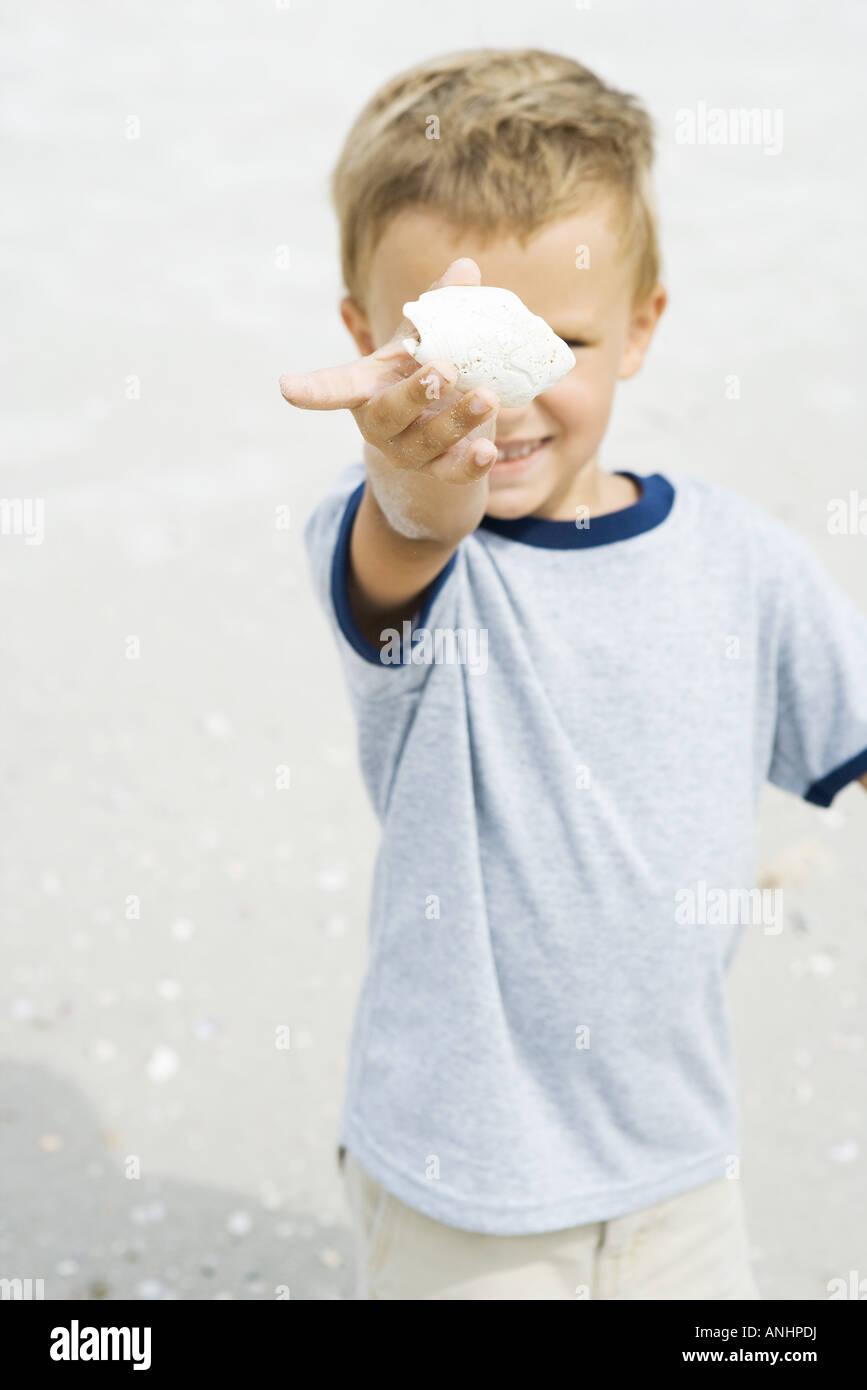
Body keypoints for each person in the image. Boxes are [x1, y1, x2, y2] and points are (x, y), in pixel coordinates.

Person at [279, 48, 867, 1299]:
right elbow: (412, 525)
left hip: (682, 1171)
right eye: (447, 357)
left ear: (642, 328)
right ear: (364, 340)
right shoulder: (402, 544)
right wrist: (417, 464)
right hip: (464, 1182)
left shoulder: (741, 563)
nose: (497, 401)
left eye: (555, 344)